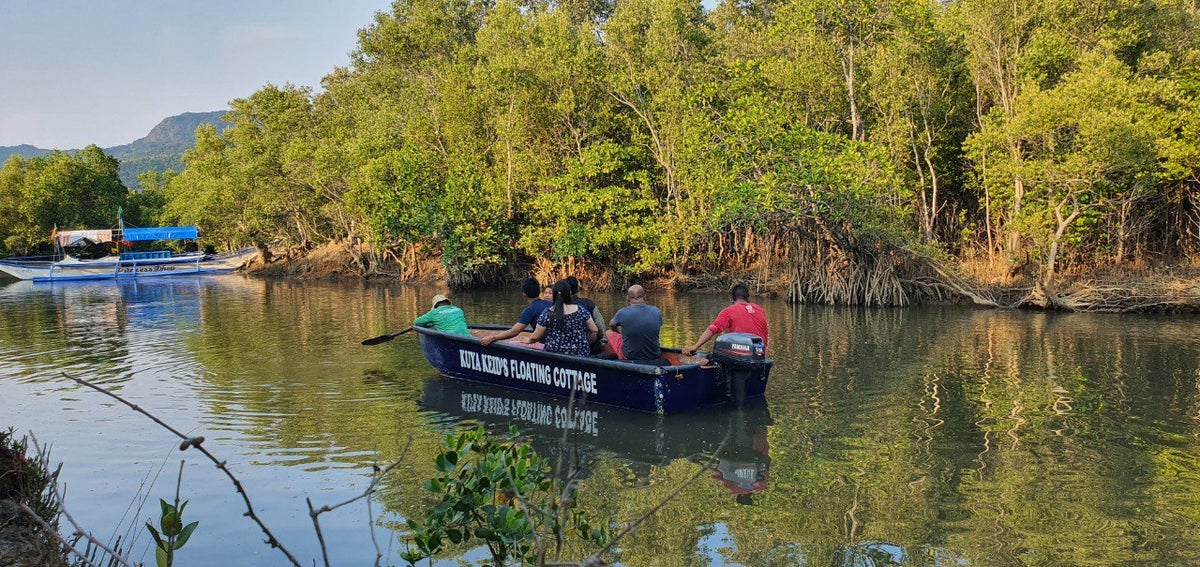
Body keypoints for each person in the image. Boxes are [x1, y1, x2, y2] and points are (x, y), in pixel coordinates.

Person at [682, 284, 769, 356]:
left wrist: (695, 346)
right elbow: (764, 336)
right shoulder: (760, 310)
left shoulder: (729, 311)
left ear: (732, 299)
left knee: (708, 358)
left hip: (742, 358)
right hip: (760, 357)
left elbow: (713, 328)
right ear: (748, 298)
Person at [519, 280, 598, 356]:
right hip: (580, 353)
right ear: (569, 293)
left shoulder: (548, 312)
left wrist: (529, 340)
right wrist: (586, 342)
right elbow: (594, 330)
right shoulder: (580, 309)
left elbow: (537, 336)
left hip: (554, 353)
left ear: (554, 294)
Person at [606, 284, 668, 365]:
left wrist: (618, 333)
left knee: (608, 332)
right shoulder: (656, 311)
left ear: (628, 298)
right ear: (645, 296)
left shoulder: (622, 312)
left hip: (629, 356)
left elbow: (611, 324)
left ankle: (618, 357)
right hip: (654, 355)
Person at [481, 278, 553, 346]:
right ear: (539, 291)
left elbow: (514, 331)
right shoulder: (552, 304)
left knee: (512, 344)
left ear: (524, 294)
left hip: (545, 346)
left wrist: (493, 338)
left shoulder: (530, 310)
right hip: (555, 343)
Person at [566, 275, 606, 353]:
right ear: (577, 289)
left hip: (566, 347)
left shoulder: (558, 307)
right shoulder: (589, 303)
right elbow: (600, 326)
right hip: (590, 347)